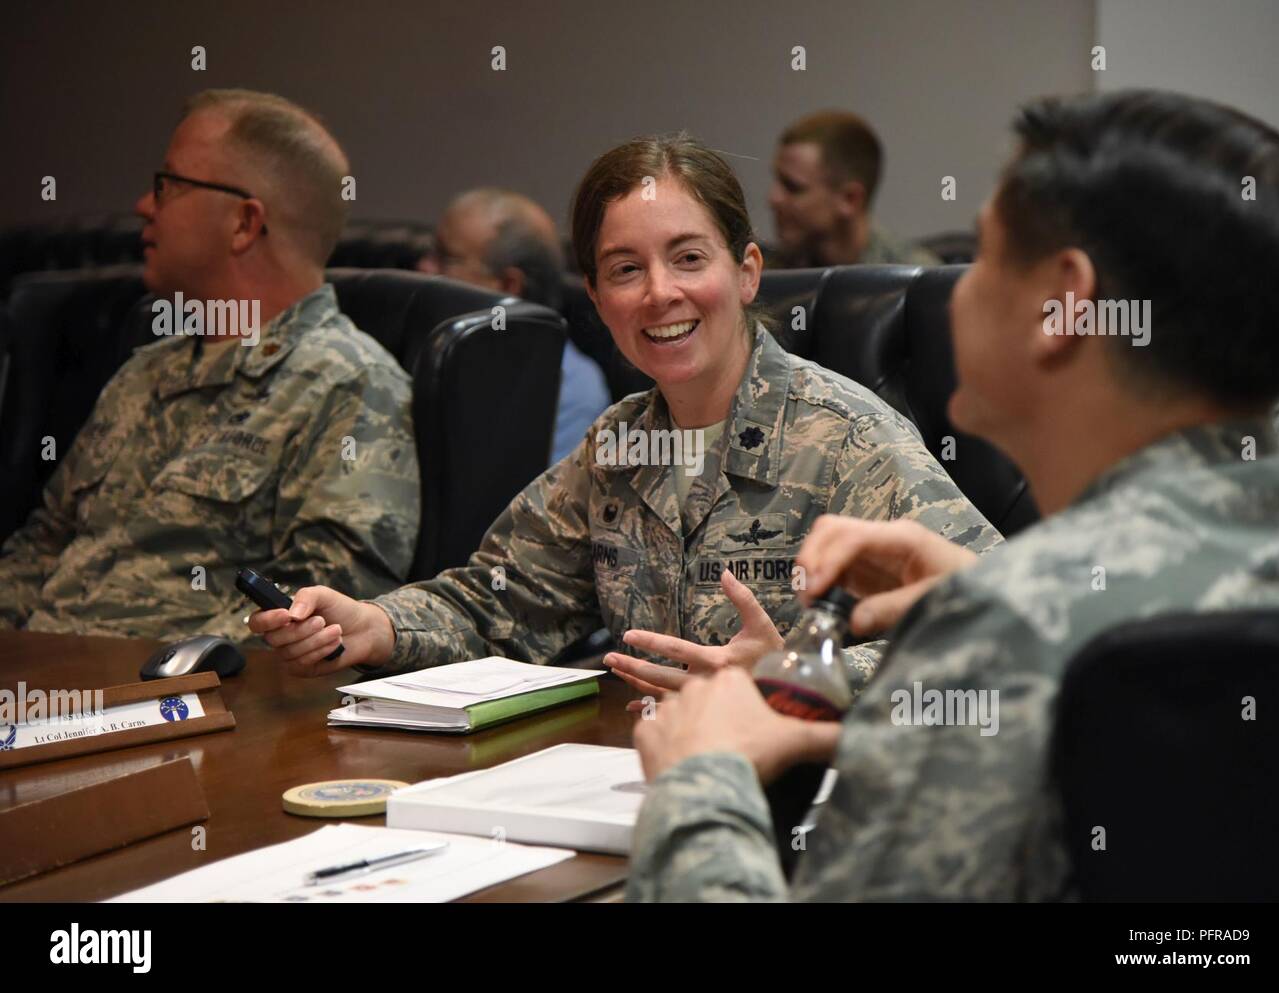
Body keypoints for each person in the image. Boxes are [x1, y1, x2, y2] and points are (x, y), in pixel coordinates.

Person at [626, 90, 1279, 901]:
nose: (955, 291)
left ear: (1064, 305)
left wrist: (702, 784)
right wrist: (986, 594)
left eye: (980, 258)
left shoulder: (1006, 627)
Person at [248, 133, 998, 682]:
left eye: (689, 257)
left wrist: (798, 675)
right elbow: (499, 601)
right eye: (625, 270)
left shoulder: (844, 436)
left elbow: (993, 622)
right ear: (599, 301)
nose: (660, 293)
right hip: (627, 785)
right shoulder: (619, 446)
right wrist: (376, 622)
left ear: (746, 273)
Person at [0, 89, 419, 645]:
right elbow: (44, 543)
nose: (143, 207)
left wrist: (157, 681)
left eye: (168, 185)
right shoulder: (147, 370)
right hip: (40, 691)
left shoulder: (349, 382)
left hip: (174, 706)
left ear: (245, 223)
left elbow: (309, 614)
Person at [418, 188, 610, 463]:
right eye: (431, 252)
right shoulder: (423, 348)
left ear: (509, 286)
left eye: (446, 259)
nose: (423, 267)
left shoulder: (571, 390)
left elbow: (550, 503)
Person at [767, 110, 939, 269]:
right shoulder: (766, 275)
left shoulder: (912, 281)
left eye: (793, 188)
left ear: (850, 199)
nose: (773, 198)